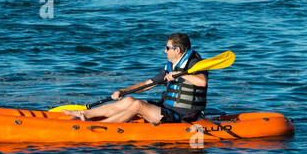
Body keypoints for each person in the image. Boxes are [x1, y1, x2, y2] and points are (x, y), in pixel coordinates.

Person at [66, 33, 208, 124]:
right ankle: (84, 113)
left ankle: (99, 127)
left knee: (137, 106)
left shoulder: (195, 63)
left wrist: (181, 75)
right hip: (167, 109)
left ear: (177, 50)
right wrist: (124, 91)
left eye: (167, 48)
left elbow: (202, 81)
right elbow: (148, 83)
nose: (165, 51)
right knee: (129, 101)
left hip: (184, 116)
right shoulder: (171, 65)